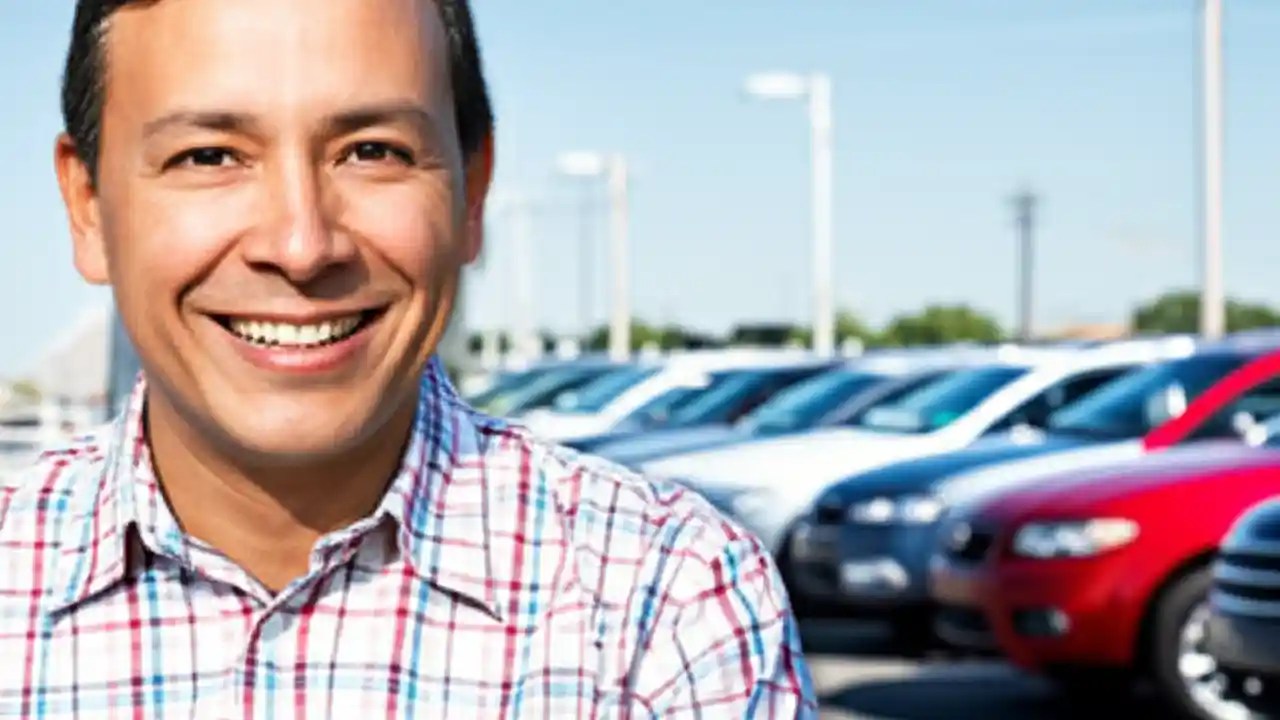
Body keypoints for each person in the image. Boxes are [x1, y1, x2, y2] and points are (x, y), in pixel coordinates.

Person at [0, 0, 817, 717]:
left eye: (372, 151)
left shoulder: (665, 600)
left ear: (473, 190)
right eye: (210, 157)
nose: (301, 244)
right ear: (89, 206)